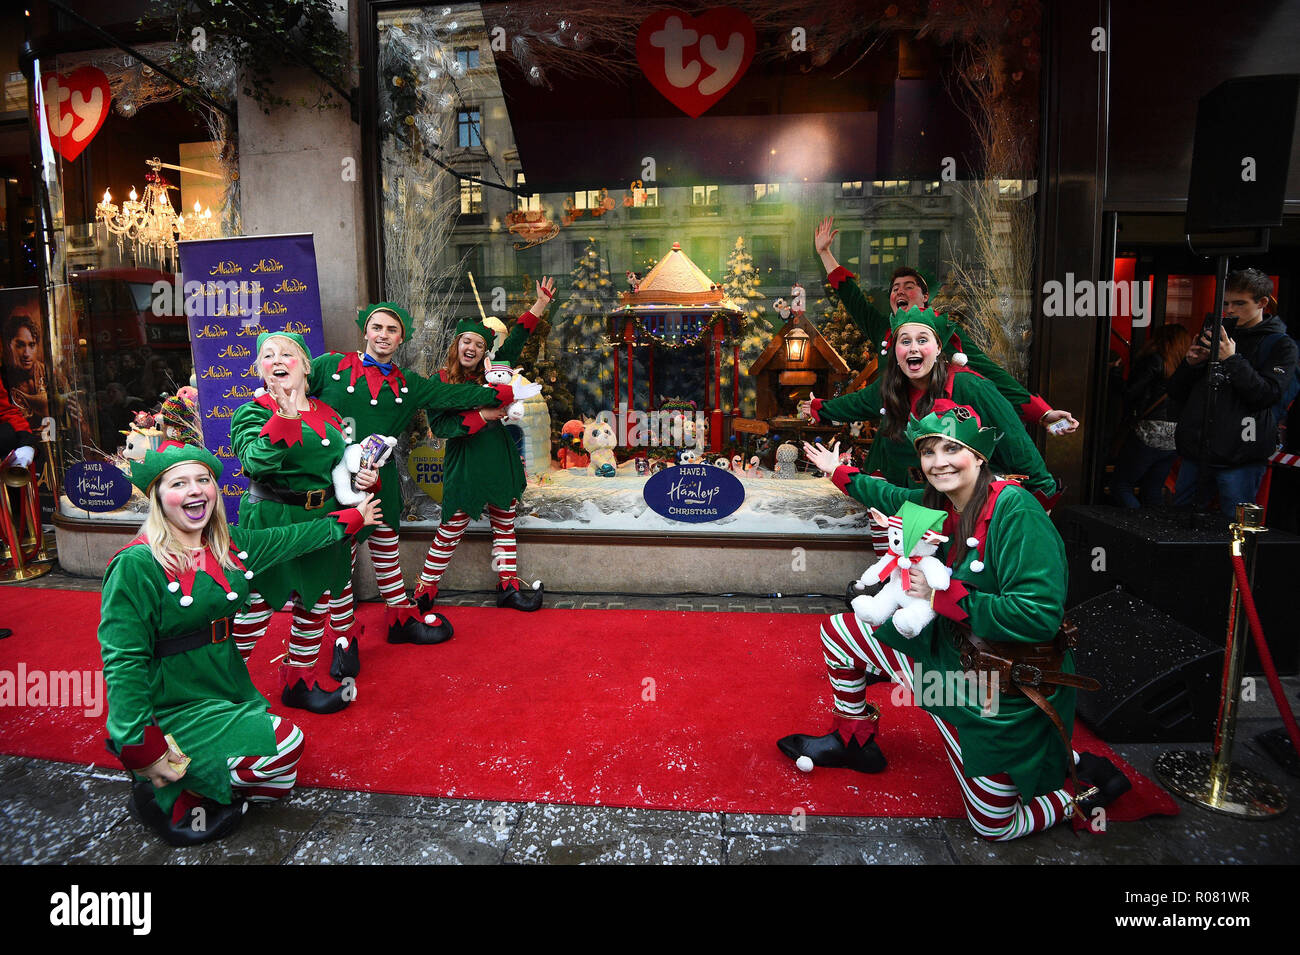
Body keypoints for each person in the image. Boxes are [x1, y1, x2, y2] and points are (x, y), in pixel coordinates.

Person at [786, 405, 1130, 841]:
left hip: (1002, 684)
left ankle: (1082, 791)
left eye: (952, 448)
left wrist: (937, 595)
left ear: (980, 456)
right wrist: (839, 471)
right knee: (841, 632)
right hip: (951, 653)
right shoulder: (937, 502)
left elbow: (1038, 616)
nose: (939, 461)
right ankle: (853, 739)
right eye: (929, 451)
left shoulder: (1016, 511)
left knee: (994, 826)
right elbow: (888, 495)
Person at [97, 440, 380, 846]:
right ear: (159, 498)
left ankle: (198, 776)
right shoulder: (136, 565)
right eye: (180, 483)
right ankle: (161, 788)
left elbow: (292, 537)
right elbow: (123, 661)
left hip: (220, 692)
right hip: (170, 702)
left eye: (203, 480)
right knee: (285, 745)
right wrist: (142, 746)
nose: (195, 490)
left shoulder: (229, 545)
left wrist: (351, 519)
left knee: (280, 780)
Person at [308, 301, 542, 674]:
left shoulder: (411, 384)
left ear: (402, 338)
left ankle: (403, 618)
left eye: (391, 330)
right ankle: (347, 634)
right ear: (365, 331)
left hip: (385, 478)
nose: (383, 335)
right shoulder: (330, 366)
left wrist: (503, 392)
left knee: (388, 548)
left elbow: (478, 378)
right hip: (338, 480)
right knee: (341, 557)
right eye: (377, 328)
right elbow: (293, 392)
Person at [800, 301, 1060, 560]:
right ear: (896, 353)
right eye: (905, 341)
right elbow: (855, 403)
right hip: (926, 508)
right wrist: (817, 408)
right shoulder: (891, 389)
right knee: (913, 575)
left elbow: (1019, 446)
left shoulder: (971, 388)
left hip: (979, 509)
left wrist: (1036, 515)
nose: (913, 347)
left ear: (938, 349)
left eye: (922, 339)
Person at [813, 216, 1078, 435]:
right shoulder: (885, 330)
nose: (900, 292)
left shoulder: (947, 335)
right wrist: (825, 253)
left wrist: (1042, 413)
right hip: (892, 444)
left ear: (925, 297)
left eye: (909, 287)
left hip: (936, 441)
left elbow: (994, 376)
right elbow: (853, 299)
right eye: (895, 288)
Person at [229, 332, 378, 714]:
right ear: (260, 369)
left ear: (306, 366)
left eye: (287, 354)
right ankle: (218, 691)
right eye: (268, 355)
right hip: (272, 521)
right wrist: (284, 417)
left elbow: (340, 465)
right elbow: (256, 463)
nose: (277, 360)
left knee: (315, 600)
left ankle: (298, 681)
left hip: (326, 519)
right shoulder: (252, 412)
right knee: (257, 604)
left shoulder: (327, 414)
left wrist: (362, 479)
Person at [414, 278, 556, 613]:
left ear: (484, 351)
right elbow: (441, 426)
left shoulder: (496, 371)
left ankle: (507, 586)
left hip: (498, 456)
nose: (472, 348)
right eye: (467, 341)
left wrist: (540, 305)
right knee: (451, 527)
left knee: (505, 523)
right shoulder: (441, 382)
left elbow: (518, 337)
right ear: (457, 344)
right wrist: (484, 413)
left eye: (479, 344)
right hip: (465, 462)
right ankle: (424, 588)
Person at [1168, 268, 1299, 516]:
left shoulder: (1281, 345)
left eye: (1240, 303)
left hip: (1241, 456)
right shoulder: (1218, 335)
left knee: (1235, 530)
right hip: (1198, 451)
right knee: (1180, 521)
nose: (1230, 309)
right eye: (1226, 302)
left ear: (1262, 303)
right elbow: (1176, 391)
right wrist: (1190, 365)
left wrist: (1232, 359)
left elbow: (1267, 395)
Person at [1110, 325, 1192, 508]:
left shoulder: (1155, 360)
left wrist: (1114, 373)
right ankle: (1151, 531)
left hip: (1148, 431)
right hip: (1174, 436)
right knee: (1153, 490)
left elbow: (1130, 392)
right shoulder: (1186, 367)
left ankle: (1137, 527)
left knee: (1121, 486)